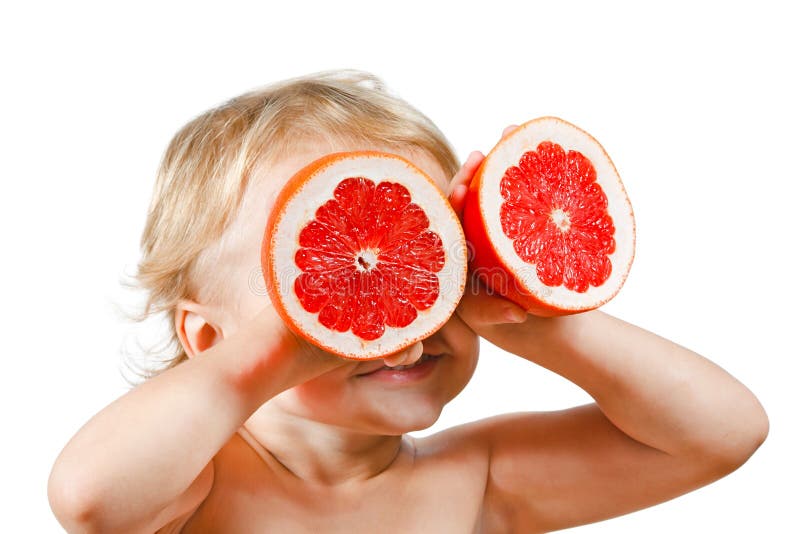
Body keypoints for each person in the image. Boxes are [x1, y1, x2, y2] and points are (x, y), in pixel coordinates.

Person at [47, 69, 769, 533]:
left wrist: (524, 314)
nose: (401, 310)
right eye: (346, 268)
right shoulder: (197, 488)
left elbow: (721, 433)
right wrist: (290, 345)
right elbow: (90, 500)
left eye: (430, 263)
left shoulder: (473, 481)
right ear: (211, 342)